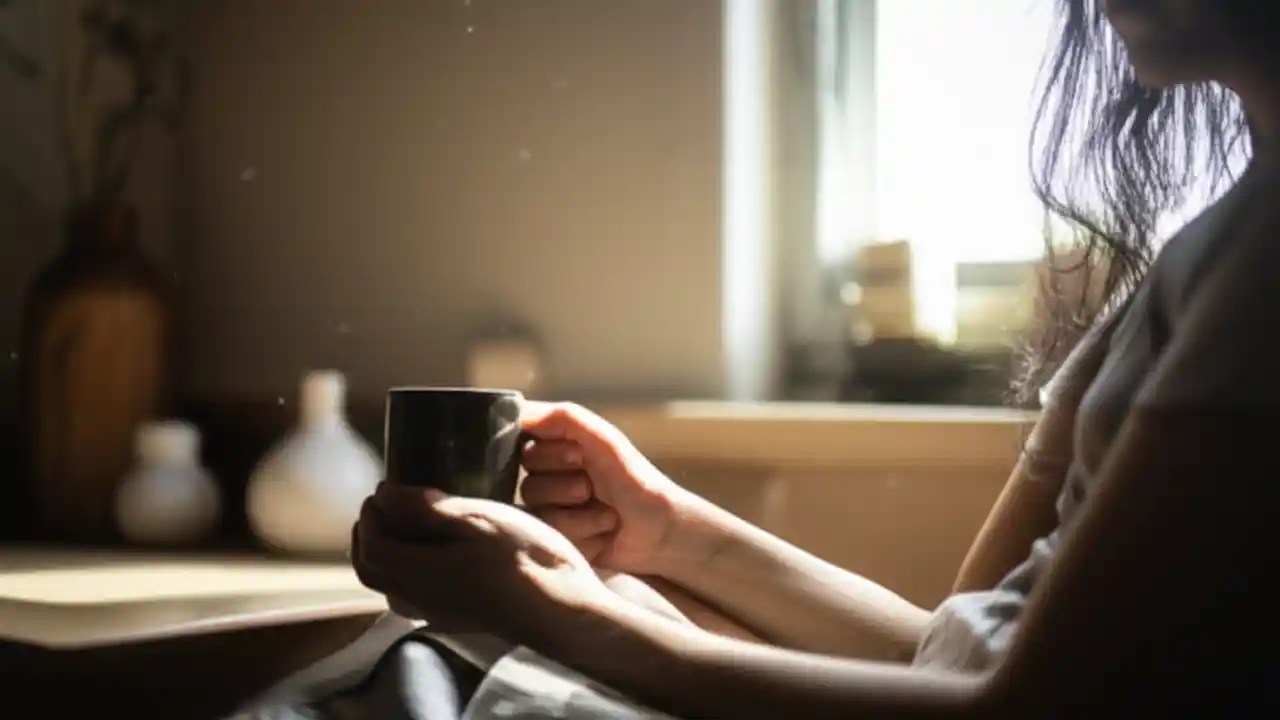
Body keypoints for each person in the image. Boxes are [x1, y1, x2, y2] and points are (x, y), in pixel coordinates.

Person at [350, 0, 1280, 716]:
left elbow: (1020, 709)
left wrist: (555, 610)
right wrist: (670, 530)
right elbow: (946, 653)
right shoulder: (1220, 241)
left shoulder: (1260, 265)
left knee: (407, 668)